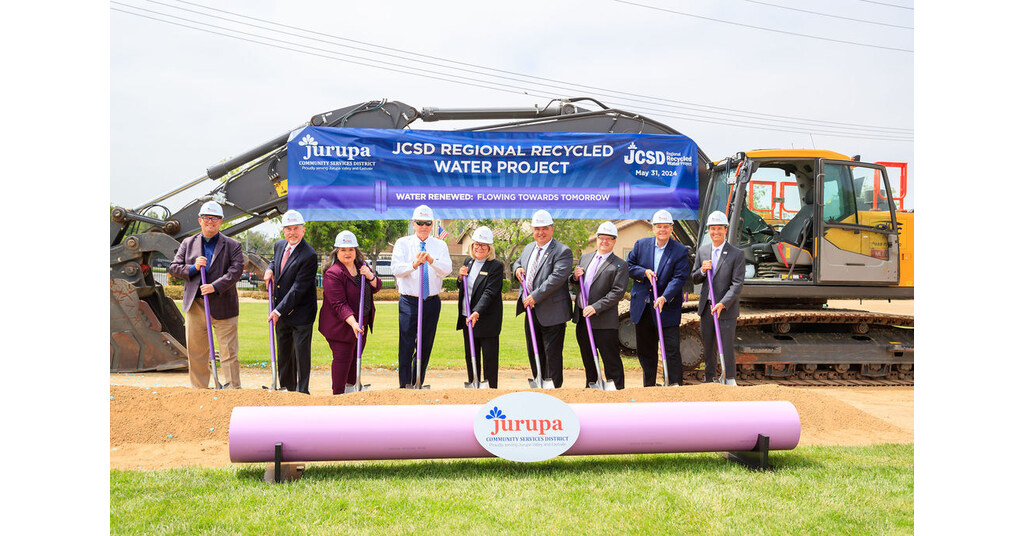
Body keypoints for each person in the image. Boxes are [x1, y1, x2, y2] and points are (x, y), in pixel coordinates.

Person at [168, 200, 244, 389]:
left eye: (215, 218)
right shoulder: (188, 243)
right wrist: (193, 268)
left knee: (228, 352)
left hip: (223, 305)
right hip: (196, 305)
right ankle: (199, 390)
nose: (211, 221)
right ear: (200, 220)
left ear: (221, 222)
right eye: (207, 218)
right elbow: (174, 268)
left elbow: (235, 271)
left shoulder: (232, 245)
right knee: (196, 352)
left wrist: (215, 286)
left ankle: (232, 390)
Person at [627, 209, 691, 386]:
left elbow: (679, 278)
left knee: (670, 349)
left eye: (666, 227)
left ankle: (673, 384)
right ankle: (649, 386)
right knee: (646, 350)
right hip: (643, 307)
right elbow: (629, 266)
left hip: (666, 308)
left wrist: (664, 297)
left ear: (671, 229)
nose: (662, 230)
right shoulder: (641, 245)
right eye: (658, 226)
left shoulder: (679, 251)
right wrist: (643, 271)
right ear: (653, 228)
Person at [391, 205, 453, 388]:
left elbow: (447, 269)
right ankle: (404, 384)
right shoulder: (402, 243)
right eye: (420, 223)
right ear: (413, 223)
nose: (424, 227)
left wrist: (431, 261)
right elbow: (396, 269)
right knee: (407, 343)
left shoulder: (440, 245)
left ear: (432, 224)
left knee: (425, 344)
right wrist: (414, 263)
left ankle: (418, 381)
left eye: (427, 223)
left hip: (431, 301)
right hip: (409, 301)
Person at [512, 209, 573, 388]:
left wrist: (534, 297)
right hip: (531, 312)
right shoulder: (529, 247)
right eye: (537, 228)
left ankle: (554, 390)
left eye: (544, 228)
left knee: (551, 355)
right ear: (532, 230)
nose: (540, 232)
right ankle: (539, 384)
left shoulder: (563, 251)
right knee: (534, 352)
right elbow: (518, 262)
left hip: (552, 312)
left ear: (552, 229)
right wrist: (517, 269)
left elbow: (556, 279)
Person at [318, 231, 382, 395]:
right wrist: (354, 323)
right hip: (341, 326)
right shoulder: (333, 273)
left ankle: (350, 390)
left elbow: (377, 286)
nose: (347, 253)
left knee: (355, 357)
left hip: (362, 323)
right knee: (343, 359)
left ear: (356, 251)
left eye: (351, 249)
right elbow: (339, 304)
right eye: (343, 250)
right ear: (337, 252)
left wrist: (370, 276)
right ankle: (338, 395)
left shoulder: (363, 266)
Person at [262, 210, 318, 394]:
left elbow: (299, 288)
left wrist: (278, 311)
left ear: (303, 230)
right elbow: (275, 261)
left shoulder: (309, 254)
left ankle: (302, 392)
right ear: (283, 231)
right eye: (288, 229)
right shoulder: (279, 245)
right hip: (281, 312)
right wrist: (270, 269)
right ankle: (287, 389)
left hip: (301, 313)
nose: (292, 233)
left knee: (301, 355)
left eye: (296, 229)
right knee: (284, 353)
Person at [571, 221, 628, 389]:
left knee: (611, 360)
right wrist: (574, 277)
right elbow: (576, 282)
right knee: (588, 359)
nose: (604, 241)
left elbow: (616, 293)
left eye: (609, 239)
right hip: (582, 319)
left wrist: (596, 306)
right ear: (597, 239)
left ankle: (616, 390)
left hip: (604, 321)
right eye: (601, 238)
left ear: (614, 241)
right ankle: (592, 388)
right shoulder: (585, 258)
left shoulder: (620, 265)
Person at [691, 210, 745, 386]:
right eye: (712, 229)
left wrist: (723, 303)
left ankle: (729, 378)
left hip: (725, 308)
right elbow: (694, 277)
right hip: (707, 307)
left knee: (726, 344)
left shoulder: (736, 254)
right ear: (708, 230)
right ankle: (709, 379)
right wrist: (702, 270)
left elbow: (737, 284)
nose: (716, 232)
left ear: (725, 229)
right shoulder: (703, 251)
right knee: (709, 346)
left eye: (719, 228)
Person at [456, 226, 505, 389]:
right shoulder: (468, 262)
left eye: (483, 245)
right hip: (467, 318)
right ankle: (473, 384)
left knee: (489, 358)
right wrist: (459, 277)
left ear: (489, 248)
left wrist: (477, 311)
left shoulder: (495, 266)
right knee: (471, 355)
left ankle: (490, 390)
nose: (479, 248)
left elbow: (490, 292)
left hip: (486, 320)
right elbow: (463, 287)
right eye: (477, 244)